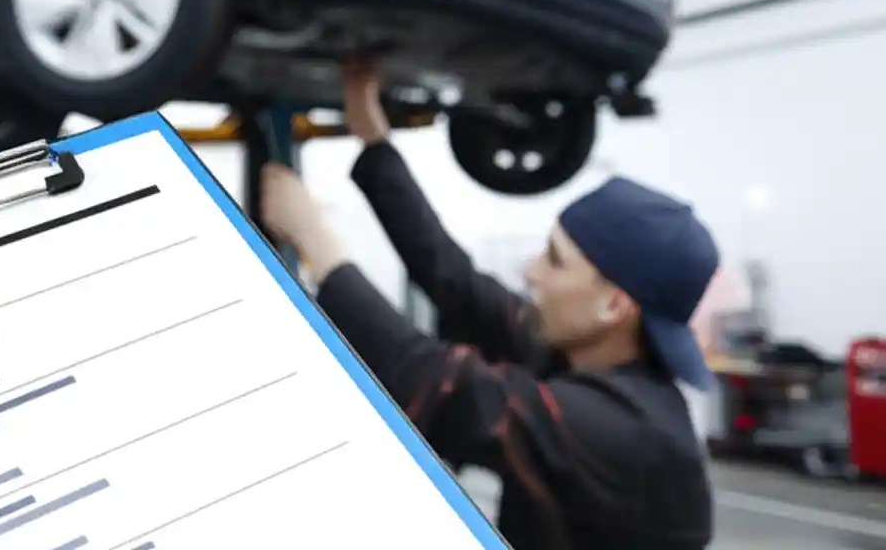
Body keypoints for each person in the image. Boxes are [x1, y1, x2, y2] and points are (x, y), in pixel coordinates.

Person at [259, 64, 717, 550]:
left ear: (613, 305)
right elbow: (455, 280)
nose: (530, 272)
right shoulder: (584, 357)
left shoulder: (624, 432)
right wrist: (374, 140)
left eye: (556, 261)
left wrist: (314, 237)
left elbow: (433, 381)